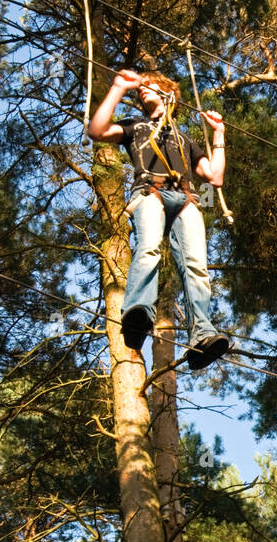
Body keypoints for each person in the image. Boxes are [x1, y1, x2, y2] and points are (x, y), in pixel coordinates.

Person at [86, 67, 231, 370]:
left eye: (149, 86)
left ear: (169, 95)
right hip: (149, 192)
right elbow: (97, 131)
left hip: (187, 199)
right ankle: (138, 312)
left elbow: (214, 177)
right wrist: (119, 87)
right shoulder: (135, 125)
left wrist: (219, 134)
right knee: (148, 248)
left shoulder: (184, 138)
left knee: (197, 268)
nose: (142, 90)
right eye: (141, 89)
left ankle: (202, 334)